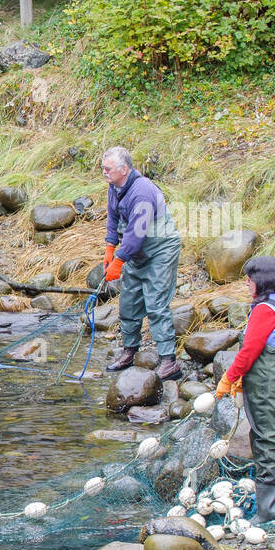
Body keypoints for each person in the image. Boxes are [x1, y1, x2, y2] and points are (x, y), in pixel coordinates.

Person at [215, 256, 275, 521]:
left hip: (269, 388)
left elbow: (249, 351)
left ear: (261, 281)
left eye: (250, 279)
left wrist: (229, 378)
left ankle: (268, 510)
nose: (246, 283)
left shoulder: (265, 310)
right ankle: (270, 500)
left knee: (268, 440)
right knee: (270, 436)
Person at [100, 146, 184, 381]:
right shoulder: (115, 186)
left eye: (108, 168)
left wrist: (118, 261)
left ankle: (169, 361)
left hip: (160, 249)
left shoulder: (143, 192)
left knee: (156, 302)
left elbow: (136, 234)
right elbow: (113, 216)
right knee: (128, 301)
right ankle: (129, 351)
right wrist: (109, 247)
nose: (104, 172)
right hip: (136, 252)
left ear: (124, 169)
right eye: (103, 168)